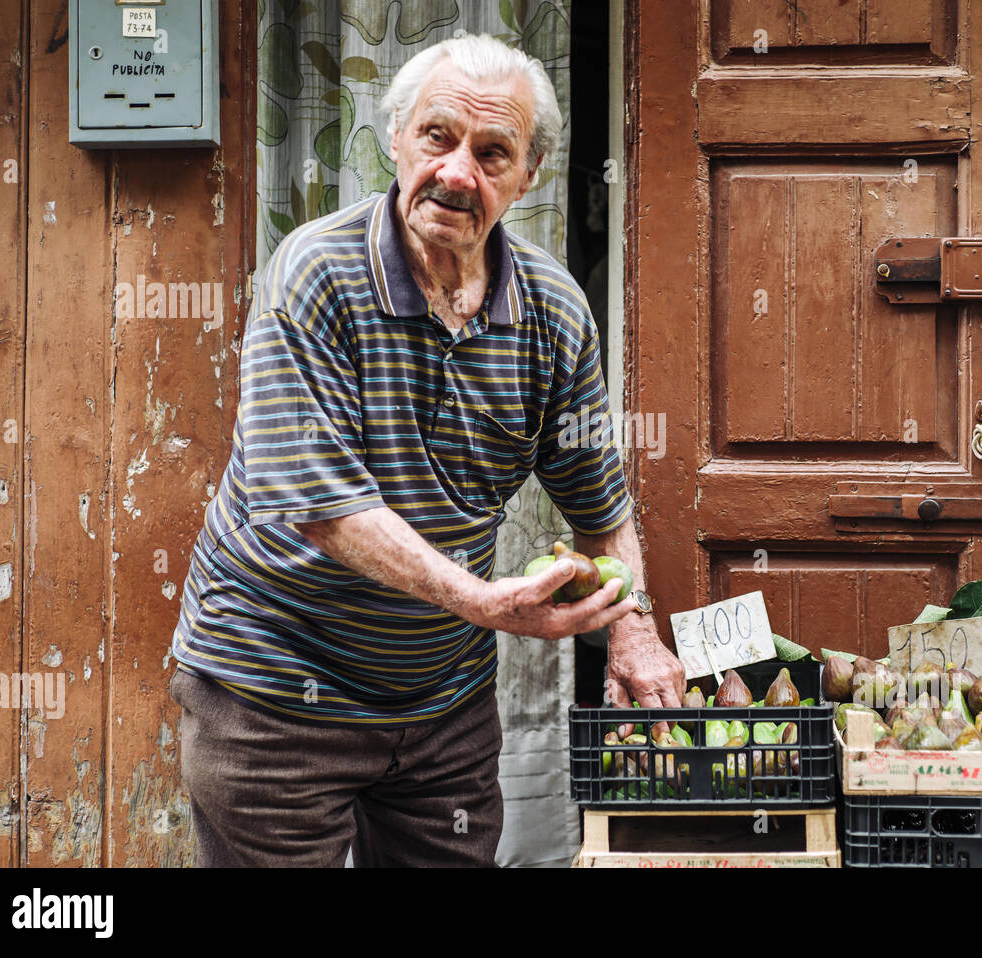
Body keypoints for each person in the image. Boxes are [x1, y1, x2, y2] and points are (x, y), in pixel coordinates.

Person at [167, 33, 684, 867]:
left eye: (492, 153)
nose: (456, 173)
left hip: (440, 706)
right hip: (273, 695)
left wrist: (632, 632)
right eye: (438, 138)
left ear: (530, 175)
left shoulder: (553, 312)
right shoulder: (315, 275)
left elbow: (599, 502)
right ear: (398, 139)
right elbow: (322, 508)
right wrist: (483, 603)